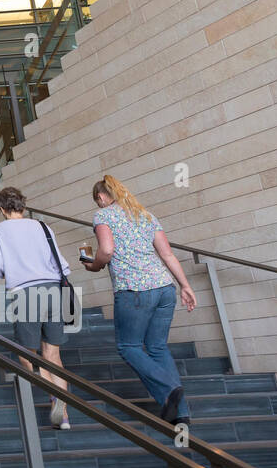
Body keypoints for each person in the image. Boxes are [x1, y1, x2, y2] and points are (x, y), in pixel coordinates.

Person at [83, 175, 197, 425]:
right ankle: (181, 414)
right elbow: (167, 254)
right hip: (164, 288)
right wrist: (185, 286)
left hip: (134, 290)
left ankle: (168, 389)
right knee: (157, 347)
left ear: (101, 197)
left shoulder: (103, 215)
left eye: (97, 199)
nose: (98, 203)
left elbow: (107, 250)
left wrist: (94, 266)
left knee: (129, 347)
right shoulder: (145, 214)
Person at [0, 186, 72, 430]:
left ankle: (54, 396)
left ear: (2, 209)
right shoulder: (42, 227)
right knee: (53, 354)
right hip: (53, 290)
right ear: (22, 206)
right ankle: (63, 413)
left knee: (26, 353)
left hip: (25, 293)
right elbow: (61, 264)